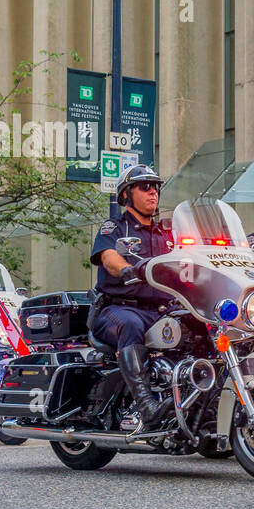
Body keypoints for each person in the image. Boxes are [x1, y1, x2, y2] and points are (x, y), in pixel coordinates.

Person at [89, 165, 173, 426]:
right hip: (117, 310)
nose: (153, 193)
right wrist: (125, 269)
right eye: (145, 187)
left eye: (156, 187)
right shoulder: (115, 227)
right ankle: (146, 403)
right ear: (126, 194)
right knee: (131, 325)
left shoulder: (168, 234)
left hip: (160, 311)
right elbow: (109, 257)